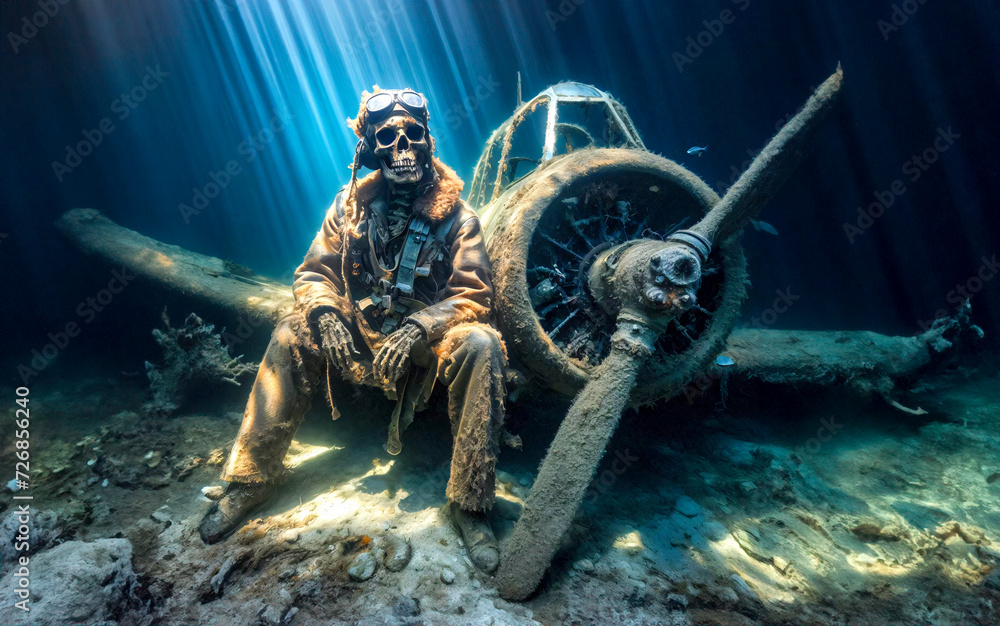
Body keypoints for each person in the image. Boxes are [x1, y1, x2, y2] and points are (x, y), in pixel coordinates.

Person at [199, 87, 508, 574]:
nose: (403, 149)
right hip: (362, 340)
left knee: (481, 342)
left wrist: (422, 326)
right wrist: (324, 313)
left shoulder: (460, 219)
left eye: (413, 136)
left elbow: (473, 294)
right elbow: (313, 274)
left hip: (422, 354)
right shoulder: (348, 208)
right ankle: (250, 481)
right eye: (388, 138)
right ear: (369, 150)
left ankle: (470, 504)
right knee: (290, 331)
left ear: (429, 143)